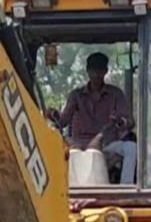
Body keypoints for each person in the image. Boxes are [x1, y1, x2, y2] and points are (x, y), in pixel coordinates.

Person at [47, 52, 137, 184]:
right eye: (93, 70)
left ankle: (125, 187)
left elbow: (129, 122)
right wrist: (54, 115)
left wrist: (119, 121)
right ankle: (58, 186)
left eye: (100, 70)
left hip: (107, 145)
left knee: (131, 147)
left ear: (106, 71)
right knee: (53, 146)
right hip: (79, 146)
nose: (96, 74)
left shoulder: (115, 94)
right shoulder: (76, 95)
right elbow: (62, 122)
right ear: (87, 71)